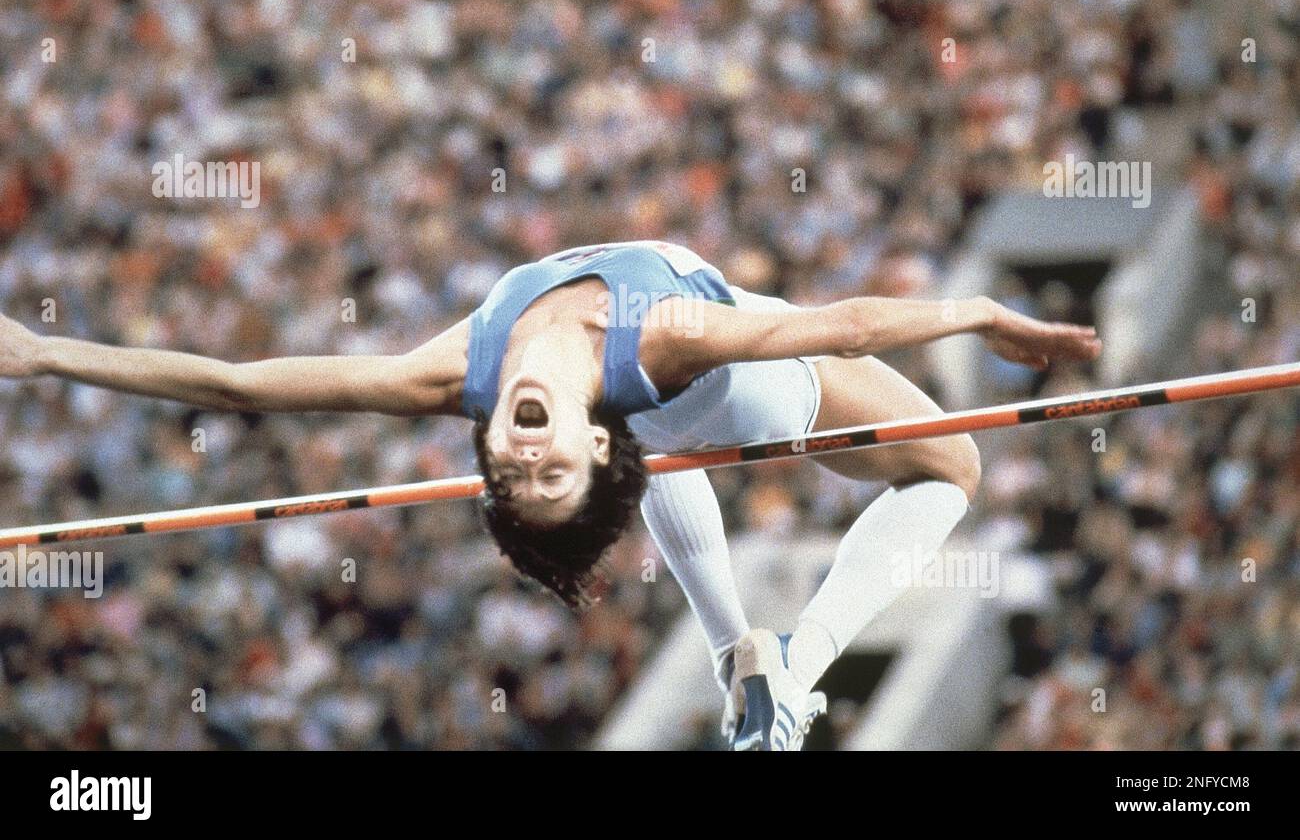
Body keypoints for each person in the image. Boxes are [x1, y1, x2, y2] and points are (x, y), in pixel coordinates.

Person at [0, 239, 1100, 749]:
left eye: (508, 475)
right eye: (550, 472)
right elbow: (844, 325)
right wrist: (973, 312)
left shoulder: (455, 377)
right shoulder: (669, 340)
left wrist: (48, 355)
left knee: (915, 468)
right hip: (748, 392)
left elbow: (239, 385)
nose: (520, 460)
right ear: (588, 441)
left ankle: (744, 662)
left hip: (680, 413)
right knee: (955, 467)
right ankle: (789, 672)